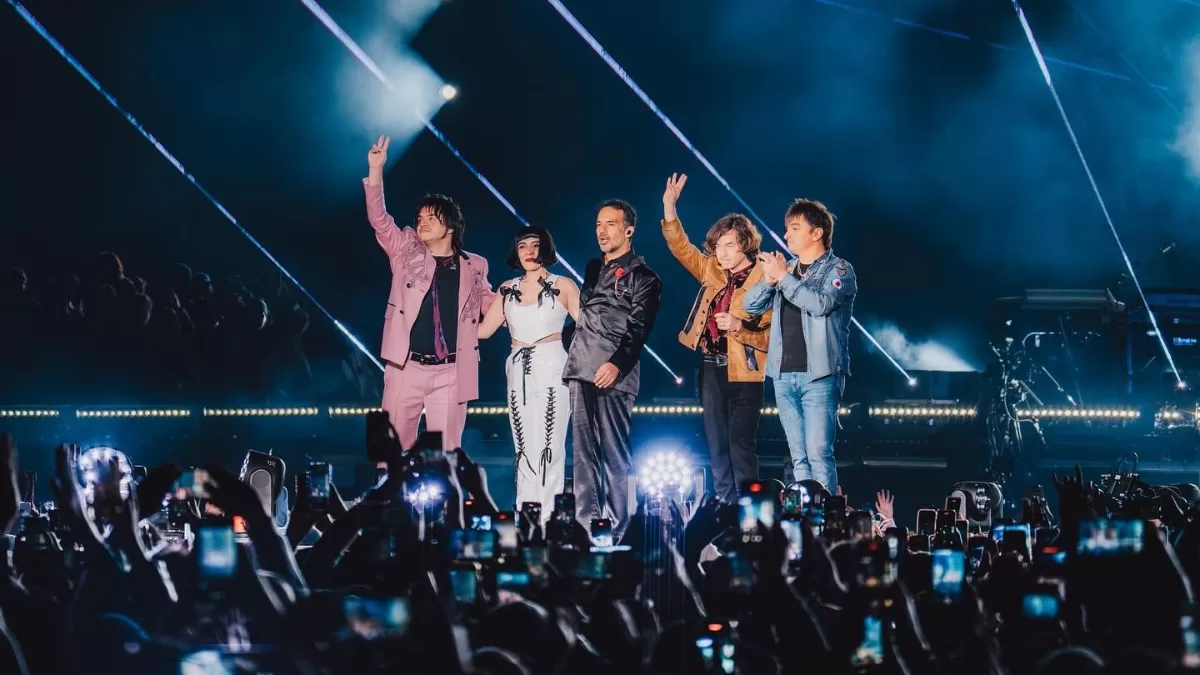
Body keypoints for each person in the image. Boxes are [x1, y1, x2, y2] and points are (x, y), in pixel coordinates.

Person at [363, 134, 495, 452]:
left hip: (452, 370)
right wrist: (376, 171)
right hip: (405, 366)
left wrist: (520, 294)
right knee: (392, 449)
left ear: (449, 226)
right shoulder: (405, 250)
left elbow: (491, 306)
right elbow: (379, 220)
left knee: (447, 451)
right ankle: (390, 501)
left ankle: (445, 502)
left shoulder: (474, 265)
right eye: (419, 217)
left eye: (431, 218)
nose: (422, 223)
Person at [659, 173, 771, 502]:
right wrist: (669, 207)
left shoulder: (766, 276)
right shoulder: (712, 269)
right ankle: (725, 507)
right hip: (710, 366)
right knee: (717, 444)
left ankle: (750, 513)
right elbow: (682, 248)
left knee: (740, 445)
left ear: (746, 244)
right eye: (717, 246)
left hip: (746, 371)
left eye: (728, 246)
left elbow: (775, 335)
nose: (720, 253)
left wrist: (740, 327)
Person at [562, 199, 662, 539]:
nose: (602, 231)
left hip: (613, 374)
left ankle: (621, 529)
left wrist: (617, 365)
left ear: (628, 230)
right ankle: (587, 525)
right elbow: (584, 314)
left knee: (614, 454)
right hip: (580, 368)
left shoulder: (645, 277)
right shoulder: (593, 268)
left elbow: (639, 329)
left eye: (610, 224)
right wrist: (570, 343)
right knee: (582, 453)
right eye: (598, 225)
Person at [742, 198, 855, 492]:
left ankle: (826, 522)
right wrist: (770, 280)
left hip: (819, 375)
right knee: (798, 458)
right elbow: (749, 305)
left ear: (817, 233)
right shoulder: (786, 269)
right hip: (782, 374)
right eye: (786, 228)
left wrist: (783, 278)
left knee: (819, 454)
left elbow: (820, 304)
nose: (787, 234)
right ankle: (805, 519)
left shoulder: (840, 270)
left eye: (795, 228)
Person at [478, 226, 580, 523]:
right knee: (524, 446)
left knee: (550, 444)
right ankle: (526, 517)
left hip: (553, 364)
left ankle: (548, 519)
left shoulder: (564, 285)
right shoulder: (507, 288)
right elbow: (484, 330)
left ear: (546, 249)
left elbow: (588, 325)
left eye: (535, 245)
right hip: (518, 367)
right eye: (523, 246)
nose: (529, 252)